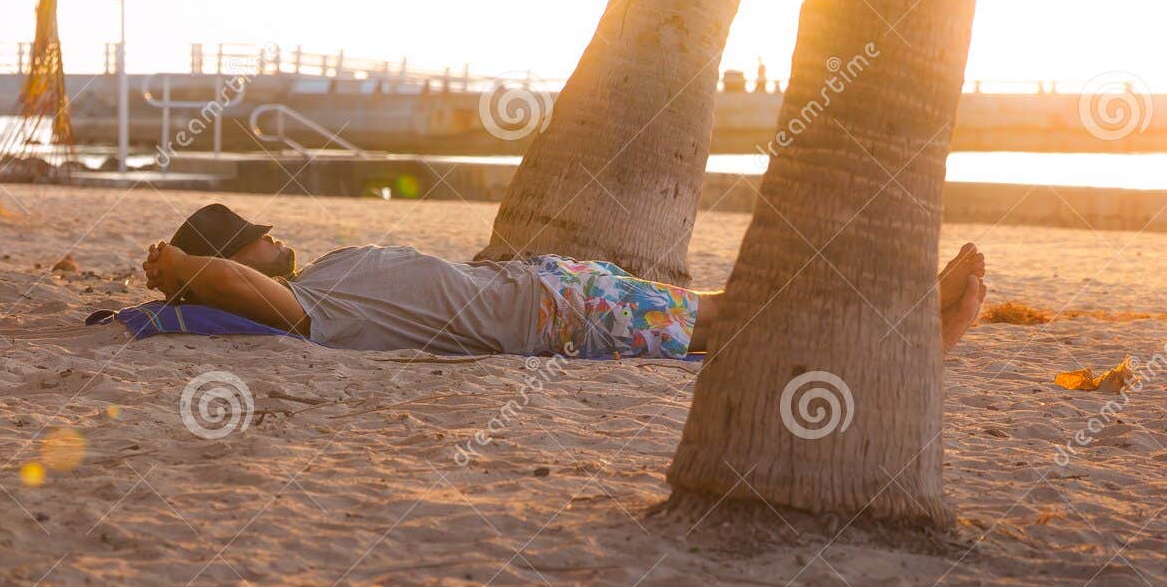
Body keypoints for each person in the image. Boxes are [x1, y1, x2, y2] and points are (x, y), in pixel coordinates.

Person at [141, 203, 988, 359]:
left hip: (557, 287)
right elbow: (245, 300)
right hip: (559, 314)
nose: (275, 238)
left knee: (734, 311)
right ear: (234, 264)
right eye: (257, 239)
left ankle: (907, 315)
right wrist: (181, 272)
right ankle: (912, 330)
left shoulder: (322, 279)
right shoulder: (304, 309)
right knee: (737, 323)